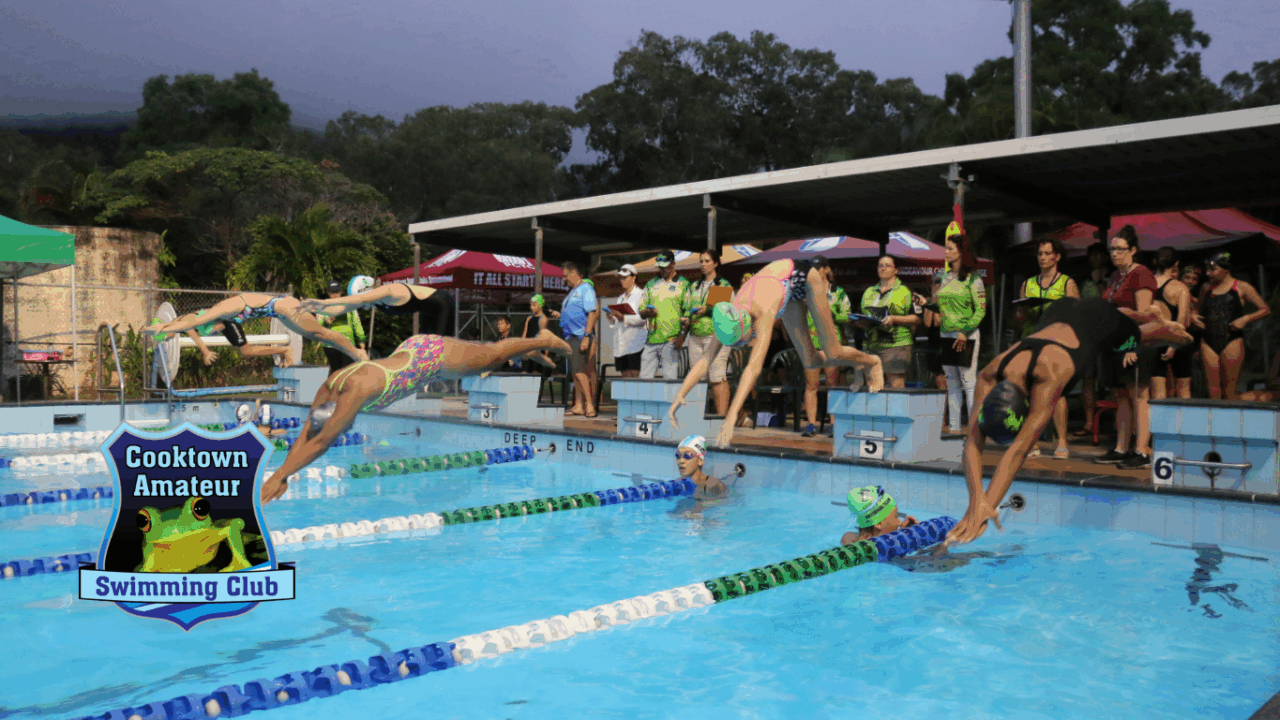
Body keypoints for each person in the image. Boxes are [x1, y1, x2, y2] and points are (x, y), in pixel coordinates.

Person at [946, 297, 1194, 546]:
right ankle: (1146, 315)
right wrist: (977, 502)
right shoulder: (989, 374)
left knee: (1139, 340)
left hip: (1102, 322)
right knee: (1114, 313)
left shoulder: (1050, 373)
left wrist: (986, 507)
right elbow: (972, 441)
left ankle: (1159, 325)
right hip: (1060, 311)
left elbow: (1018, 450)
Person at [260, 330, 573, 504]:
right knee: (497, 354)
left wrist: (279, 476)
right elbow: (310, 433)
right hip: (408, 349)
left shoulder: (355, 389)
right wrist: (282, 474)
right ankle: (525, 349)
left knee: (493, 353)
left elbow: (325, 440)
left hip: (432, 355)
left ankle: (542, 339)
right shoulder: (334, 383)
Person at [668, 256, 884, 448]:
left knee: (833, 350)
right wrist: (680, 394)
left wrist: (732, 415)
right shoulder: (728, 316)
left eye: (743, 341)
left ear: (748, 328)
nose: (743, 346)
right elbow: (706, 359)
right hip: (785, 287)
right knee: (811, 361)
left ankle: (872, 361)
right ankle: (858, 363)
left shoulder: (763, 311)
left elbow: (754, 367)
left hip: (803, 276)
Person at [1094, 225, 1159, 469]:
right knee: (1120, 396)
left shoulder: (1141, 273)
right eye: (1112, 249)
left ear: (1133, 250)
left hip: (1134, 343)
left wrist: (1133, 347)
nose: (1114, 253)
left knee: (1139, 395)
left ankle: (1141, 451)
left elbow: (1143, 315)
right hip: (1114, 344)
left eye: (1120, 249)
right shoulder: (1115, 277)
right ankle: (1122, 447)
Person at [147, 292, 365, 363]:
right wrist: (163, 327)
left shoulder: (222, 309)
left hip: (284, 307)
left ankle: (357, 352)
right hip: (278, 313)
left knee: (321, 333)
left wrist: (166, 329)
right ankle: (355, 353)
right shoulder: (222, 317)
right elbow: (181, 322)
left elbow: (191, 322)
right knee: (320, 337)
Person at [1014, 239, 1079, 459]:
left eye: (1047, 253)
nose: (1042, 257)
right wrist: (1022, 308)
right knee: (1030, 391)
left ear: (1057, 257)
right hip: (1031, 339)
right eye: (1040, 254)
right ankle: (1032, 442)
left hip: (1056, 342)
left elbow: (1076, 315)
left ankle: (1062, 441)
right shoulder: (1028, 283)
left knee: (1057, 392)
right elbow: (1020, 319)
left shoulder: (1067, 283)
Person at [1192, 252, 1271, 400]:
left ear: (1226, 269)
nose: (1208, 273)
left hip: (1232, 340)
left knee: (1230, 393)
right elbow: (1197, 310)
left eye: (1212, 269)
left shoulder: (1242, 286)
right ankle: (1214, 422)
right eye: (1207, 269)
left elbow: (1265, 309)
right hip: (1207, 341)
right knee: (1213, 392)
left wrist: (1246, 318)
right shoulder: (1206, 287)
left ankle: (1231, 421)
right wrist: (1194, 317)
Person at [936, 224, 987, 433]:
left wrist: (965, 332)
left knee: (968, 381)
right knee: (952, 382)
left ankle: (975, 428)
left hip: (966, 334)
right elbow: (941, 305)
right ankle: (955, 428)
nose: (946, 252)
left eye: (950, 249)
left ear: (961, 252)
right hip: (946, 333)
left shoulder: (974, 279)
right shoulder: (944, 277)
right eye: (945, 248)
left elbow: (981, 311)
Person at [302, 276, 456, 338]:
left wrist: (322, 301)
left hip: (442, 303)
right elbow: (339, 309)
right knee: (424, 345)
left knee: (441, 347)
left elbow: (358, 299)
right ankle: (433, 386)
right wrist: (314, 309)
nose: (362, 303)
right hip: (427, 311)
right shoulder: (371, 300)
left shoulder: (388, 290)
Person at [799, 261, 853, 437]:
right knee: (811, 384)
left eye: (817, 268)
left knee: (832, 384)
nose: (813, 271)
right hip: (811, 342)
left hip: (830, 342)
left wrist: (830, 311)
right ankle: (811, 424)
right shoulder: (806, 290)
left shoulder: (838, 292)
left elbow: (847, 316)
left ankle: (833, 423)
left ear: (826, 270)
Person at [683, 250, 735, 416]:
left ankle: (722, 418)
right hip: (695, 336)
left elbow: (730, 310)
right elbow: (686, 308)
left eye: (707, 261)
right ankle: (698, 417)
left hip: (716, 336)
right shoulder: (694, 286)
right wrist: (686, 319)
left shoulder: (724, 285)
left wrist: (709, 309)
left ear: (715, 263)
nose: (703, 264)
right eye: (701, 261)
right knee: (697, 378)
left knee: (717, 377)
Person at [857, 255, 917, 390]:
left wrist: (894, 319)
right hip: (872, 344)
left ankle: (897, 412)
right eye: (880, 265)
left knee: (895, 386)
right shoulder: (868, 291)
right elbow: (861, 315)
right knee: (872, 385)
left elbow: (916, 318)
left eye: (887, 265)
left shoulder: (905, 291)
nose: (883, 268)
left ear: (896, 270)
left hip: (896, 344)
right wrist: (862, 322)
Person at [1073, 241, 1112, 438]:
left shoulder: (1114, 278)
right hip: (1088, 337)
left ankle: (1115, 423)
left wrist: (1100, 283)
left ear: (1106, 257)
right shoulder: (1082, 281)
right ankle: (1089, 423)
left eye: (1098, 255)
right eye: (1091, 255)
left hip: (1108, 336)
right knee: (1088, 380)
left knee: (1114, 381)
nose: (1094, 258)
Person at [639, 250, 692, 380]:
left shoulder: (684, 284)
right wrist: (648, 312)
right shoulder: (651, 284)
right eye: (660, 266)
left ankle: (672, 401)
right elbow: (641, 310)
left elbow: (688, 313)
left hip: (671, 340)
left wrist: (682, 335)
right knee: (644, 379)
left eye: (665, 266)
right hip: (651, 339)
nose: (662, 269)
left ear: (673, 264)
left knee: (670, 378)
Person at [179, 309, 295, 368]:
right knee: (246, 351)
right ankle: (283, 350)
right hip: (224, 324)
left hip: (227, 321)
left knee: (246, 350)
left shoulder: (185, 321)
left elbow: (196, 338)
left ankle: (285, 350)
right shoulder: (178, 327)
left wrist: (205, 352)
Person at [1150, 248, 1195, 401]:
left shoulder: (1146, 284)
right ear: (1176, 264)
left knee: (1158, 394)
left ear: (1155, 262)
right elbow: (1182, 322)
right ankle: (1184, 425)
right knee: (1184, 392)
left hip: (1155, 339)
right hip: (1177, 341)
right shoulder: (1180, 288)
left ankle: (1159, 425)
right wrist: (1173, 346)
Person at [556, 261, 598, 417]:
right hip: (570, 336)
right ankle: (579, 405)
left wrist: (586, 336)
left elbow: (592, 313)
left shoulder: (586, 289)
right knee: (574, 372)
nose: (564, 279)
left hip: (580, 335)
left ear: (574, 272)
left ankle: (589, 405)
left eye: (566, 276)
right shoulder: (573, 291)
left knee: (580, 371)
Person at [606, 264, 646, 378]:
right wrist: (611, 318)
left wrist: (624, 318)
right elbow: (617, 322)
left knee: (635, 378)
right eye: (620, 278)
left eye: (625, 277)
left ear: (634, 277)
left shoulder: (641, 295)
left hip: (636, 345)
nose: (622, 280)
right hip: (621, 345)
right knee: (625, 379)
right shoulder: (620, 298)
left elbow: (643, 319)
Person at [317, 280, 366, 374]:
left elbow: (356, 323)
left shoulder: (349, 304)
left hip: (347, 343)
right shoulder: (323, 305)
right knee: (337, 372)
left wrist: (361, 340)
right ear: (328, 292)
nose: (335, 294)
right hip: (331, 344)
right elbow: (317, 326)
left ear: (341, 292)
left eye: (337, 291)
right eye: (332, 292)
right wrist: (326, 322)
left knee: (349, 371)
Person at [840, 486, 918, 545]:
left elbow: (848, 537)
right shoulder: (881, 551)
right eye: (896, 516)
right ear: (878, 524)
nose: (899, 523)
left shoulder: (848, 539)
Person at [674, 435, 728, 500]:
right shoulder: (677, 483)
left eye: (687, 456)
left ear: (700, 461)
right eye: (678, 455)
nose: (681, 461)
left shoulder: (714, 486)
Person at [520, 295, 558, 374]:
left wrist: (545, 354)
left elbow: (543, 337)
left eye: (534, 305)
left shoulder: (543, 319)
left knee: (535, 375)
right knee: (524, 374)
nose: (531, 307)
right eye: (531, 305)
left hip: (538, 350)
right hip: (528, 349)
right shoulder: (529, 318)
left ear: (540, 305)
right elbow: (524, 334)